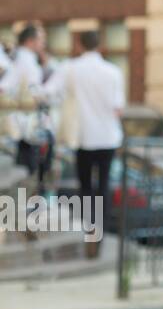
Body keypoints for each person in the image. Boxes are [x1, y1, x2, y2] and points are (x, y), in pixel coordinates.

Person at [43, 30, 125, 257]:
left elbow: (47, 92)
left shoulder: (70, 68)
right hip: (108, 138)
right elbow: (118, 108)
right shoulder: (113, 72)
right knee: (104, 185)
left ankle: (90, 230)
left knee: (86, 187)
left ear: (79, 45)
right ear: (100, 46)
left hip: (82, 137)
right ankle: (100, 232)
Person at [1, 23, 52, 193]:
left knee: (29, 166)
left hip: (24, 122)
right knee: (30, 168)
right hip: (25, 122)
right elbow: (9, 86)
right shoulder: (24, 60)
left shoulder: (24, 59)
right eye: (40, 40)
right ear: (30, 41)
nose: (43, 44)